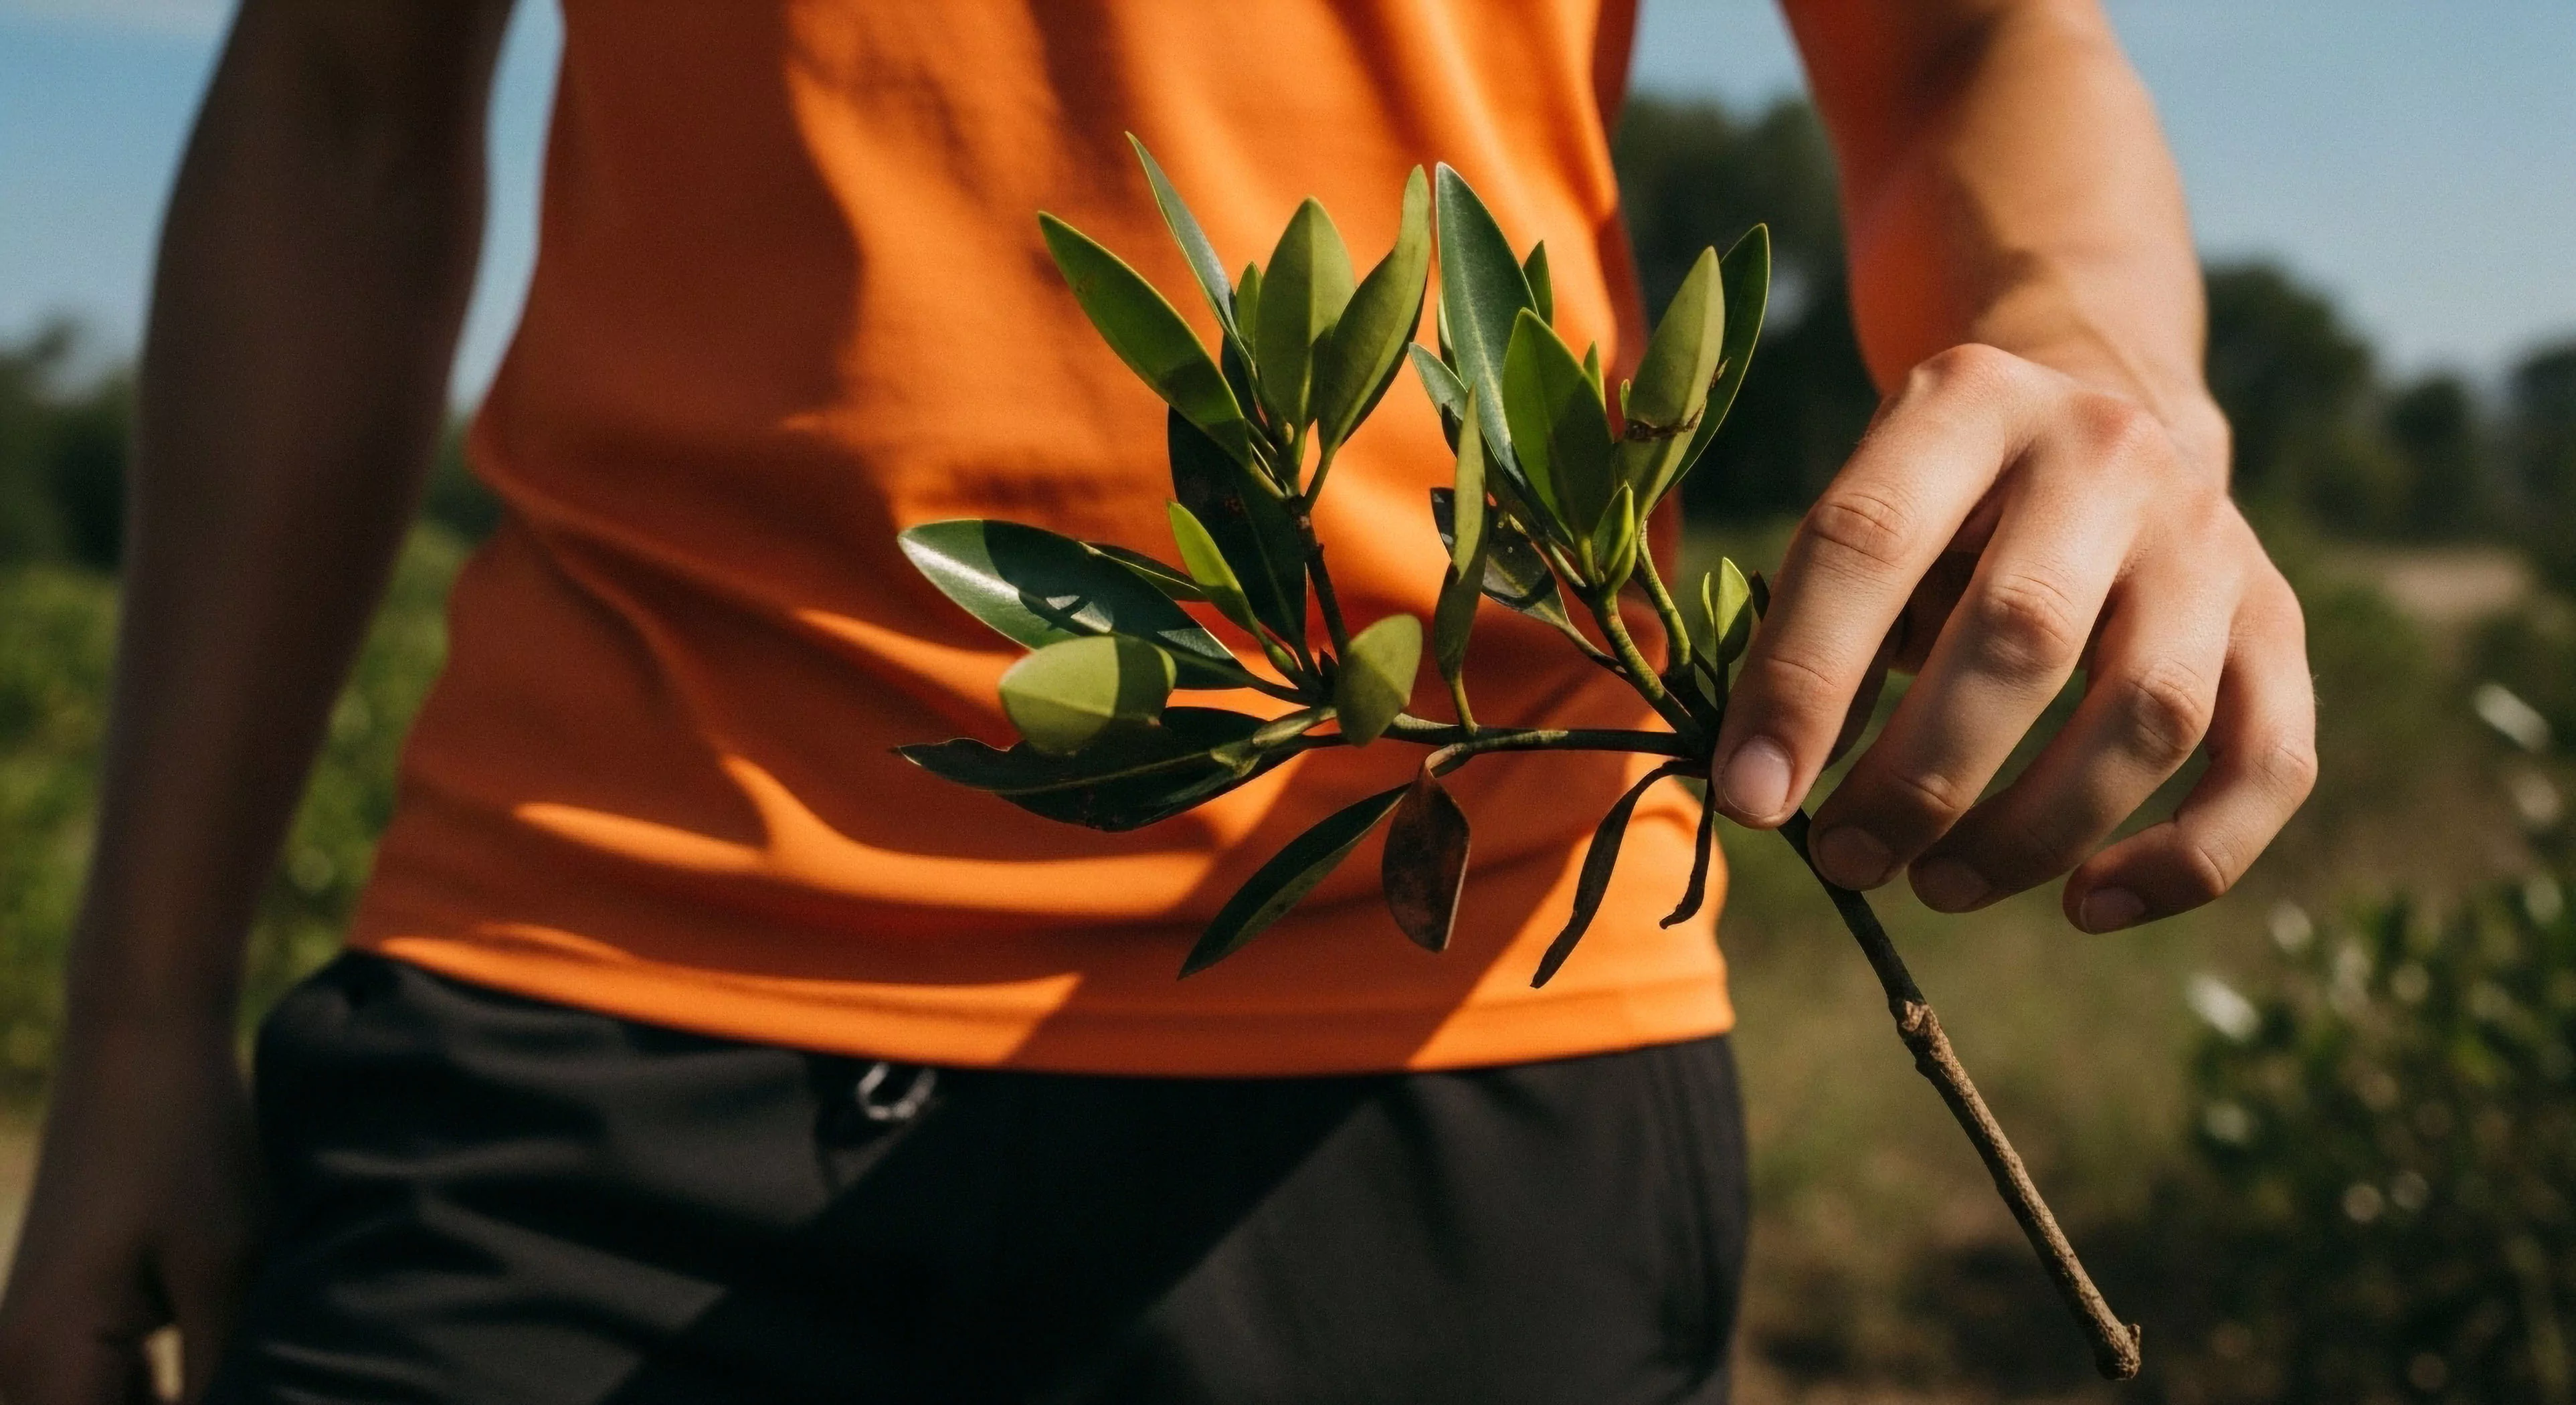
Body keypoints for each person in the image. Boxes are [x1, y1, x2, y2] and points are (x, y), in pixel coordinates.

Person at [0, 0, 2316, 1399]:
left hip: (1455, 1012)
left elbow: (1968, 42)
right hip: (588, 986)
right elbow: (341, 102)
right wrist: (135, 1016)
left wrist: (2108, 366)